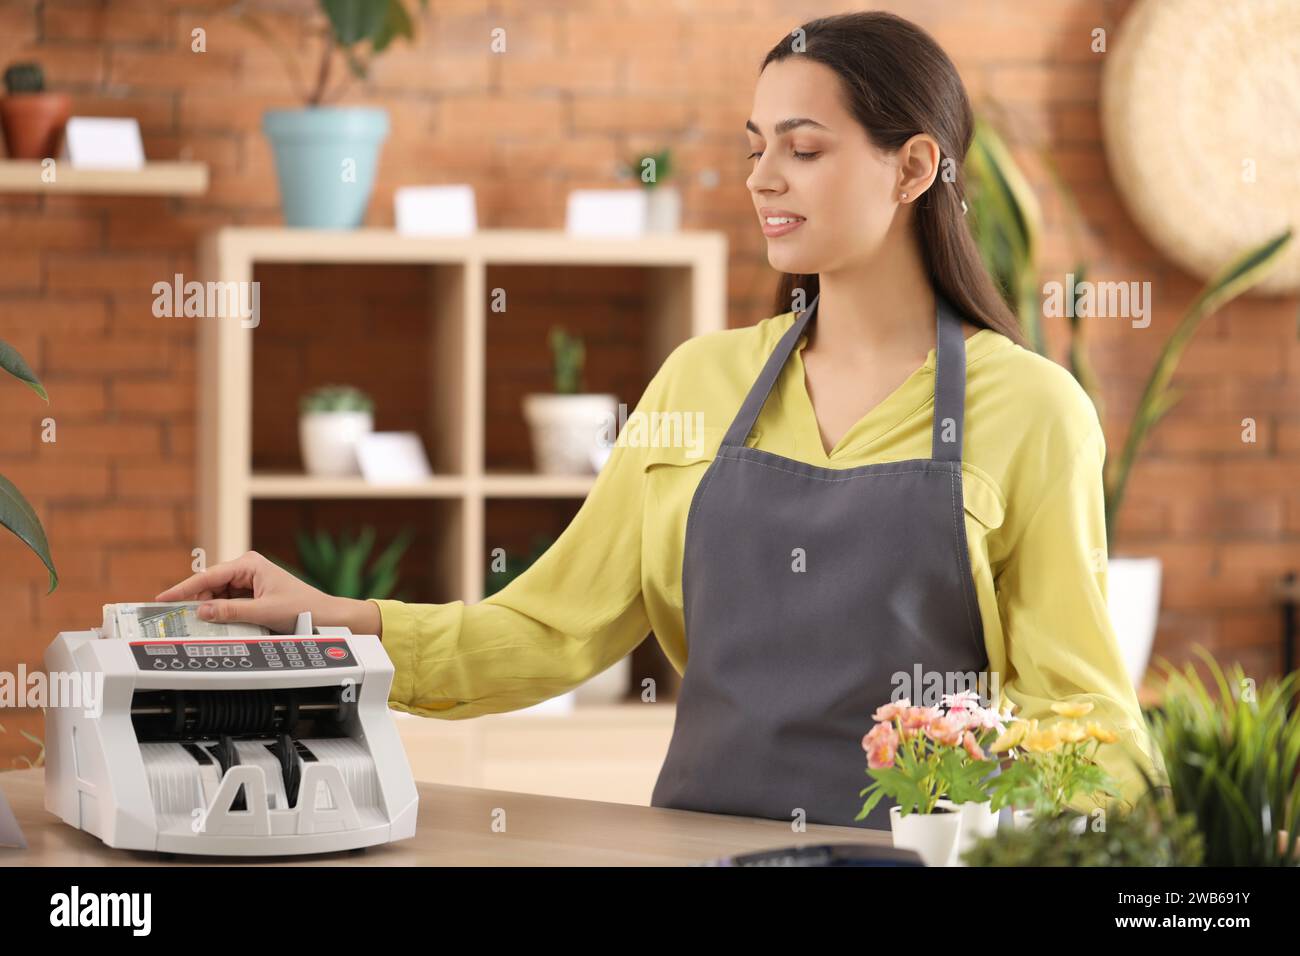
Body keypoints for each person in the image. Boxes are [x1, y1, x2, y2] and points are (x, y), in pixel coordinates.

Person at [157, 11, 1163, 831]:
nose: (763, 177)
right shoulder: (696, 382)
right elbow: (550, 628)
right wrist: (340, 621)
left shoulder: (1031, 411)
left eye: (803, 149)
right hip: (695, 846)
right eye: (755, 148)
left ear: (911, 170)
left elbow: (1087, 722)